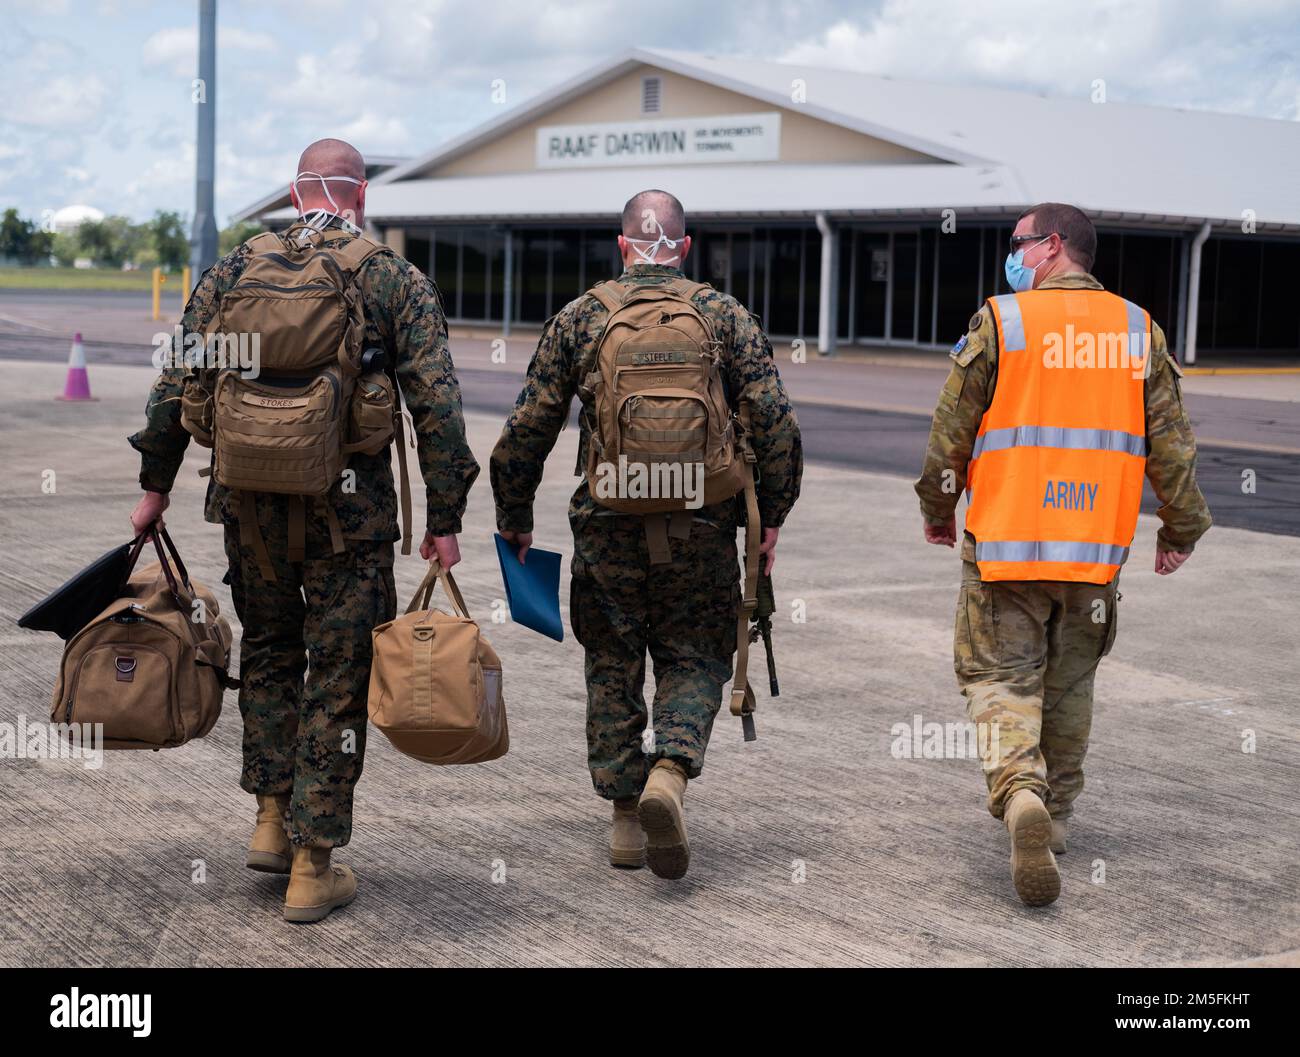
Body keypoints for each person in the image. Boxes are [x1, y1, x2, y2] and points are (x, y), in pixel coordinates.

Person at [128, 138, 478, 922]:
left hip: (248, 504)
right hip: (346, 515)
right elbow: (439, 410)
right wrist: (445, 518)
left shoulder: (232, 269)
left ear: (294, 190)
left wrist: (154, 486)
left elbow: (177, 381)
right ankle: (314, 863)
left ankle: (270, 816)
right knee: (339, 671)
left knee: (273, 653)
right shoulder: (390, 276)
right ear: (360, 195)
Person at [490, 189, 802, 879]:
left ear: (623, 245)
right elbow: (775, 423)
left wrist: (515, 518)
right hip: (704, 523)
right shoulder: (723, 317)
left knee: (612, 662)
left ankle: (627, 816)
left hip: (608, 525)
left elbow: (524, 434)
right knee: (694, 655)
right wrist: (770, 516)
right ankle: (671, 770)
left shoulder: (582, 318)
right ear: (684, 249)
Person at [915, 202, 1211, 907]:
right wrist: (1181, 528)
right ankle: (1062, 817)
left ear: (1051, 246)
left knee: (997, 676)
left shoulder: (1003, 322)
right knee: (1071, 687)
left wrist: (937, 506)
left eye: (1018, 243)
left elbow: (949, 431)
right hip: (1094, 555)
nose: (1011, 256)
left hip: (1007, 548)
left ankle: (1021, 792)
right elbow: (1172, 445)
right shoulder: (1139, 329)